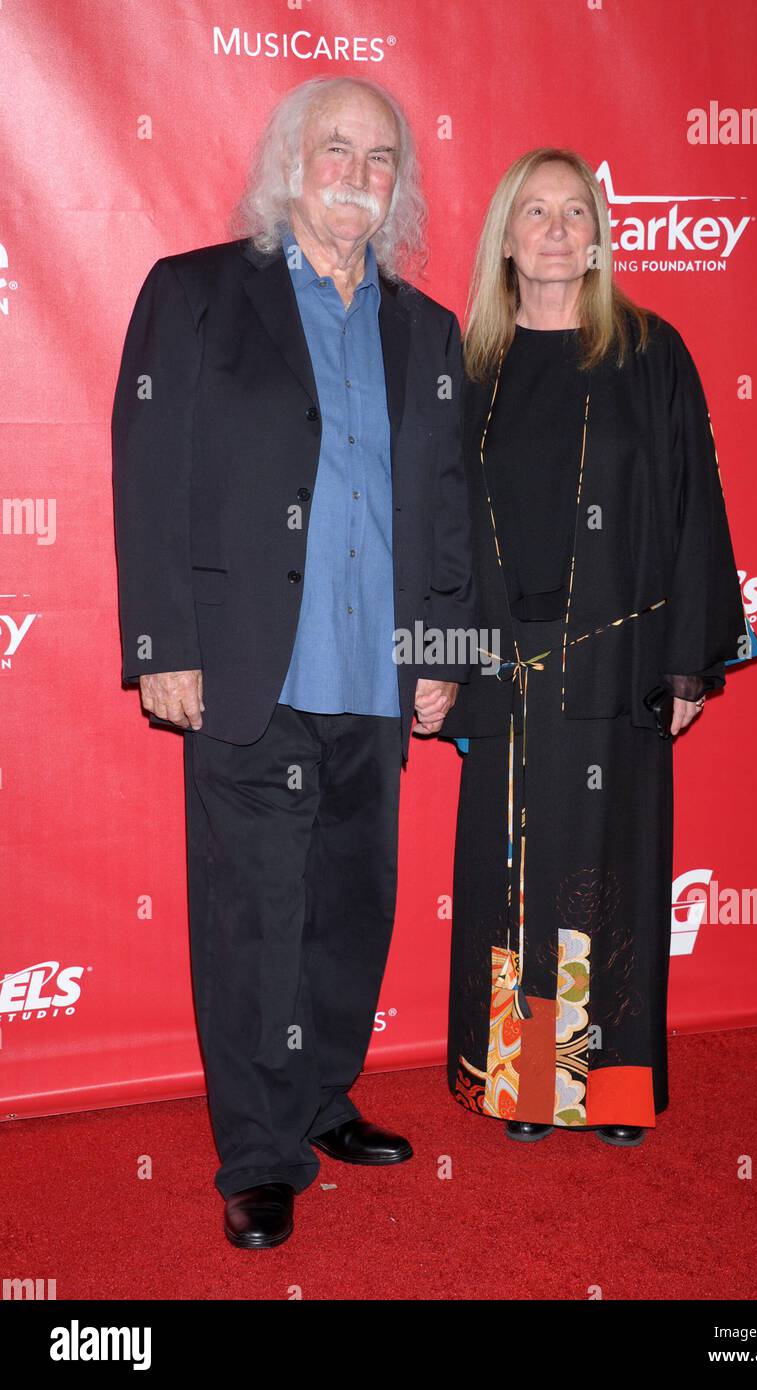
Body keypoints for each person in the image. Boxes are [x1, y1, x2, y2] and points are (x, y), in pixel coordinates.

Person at [111, 76, 475, 1247]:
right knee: (254, 918)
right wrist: (162, 644)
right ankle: (258, 1154)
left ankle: (321, 1100)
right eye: (337, 147)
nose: (359, 172)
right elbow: (150, 473)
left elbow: (447, 503)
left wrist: (443, 649)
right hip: (248, 671)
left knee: (347, 912)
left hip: (376, 679)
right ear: (289, 159)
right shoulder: (197, 294)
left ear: (398, 185)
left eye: (381, 157)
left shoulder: (424, 329)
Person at [439, 148, 747, 1148]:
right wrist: (434, 656)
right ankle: (529, 1082)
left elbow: (693, 509)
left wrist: (685, 661)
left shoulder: (650, 354)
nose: (558, 229)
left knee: (606, 873)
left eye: (576, 211)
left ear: (599, 234)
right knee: (511, 877)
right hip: (501, 668)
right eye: (536, 210)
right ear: (506, 235)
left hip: (615, 657)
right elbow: (435, 529)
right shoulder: (469, 368)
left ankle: (609, 1084)